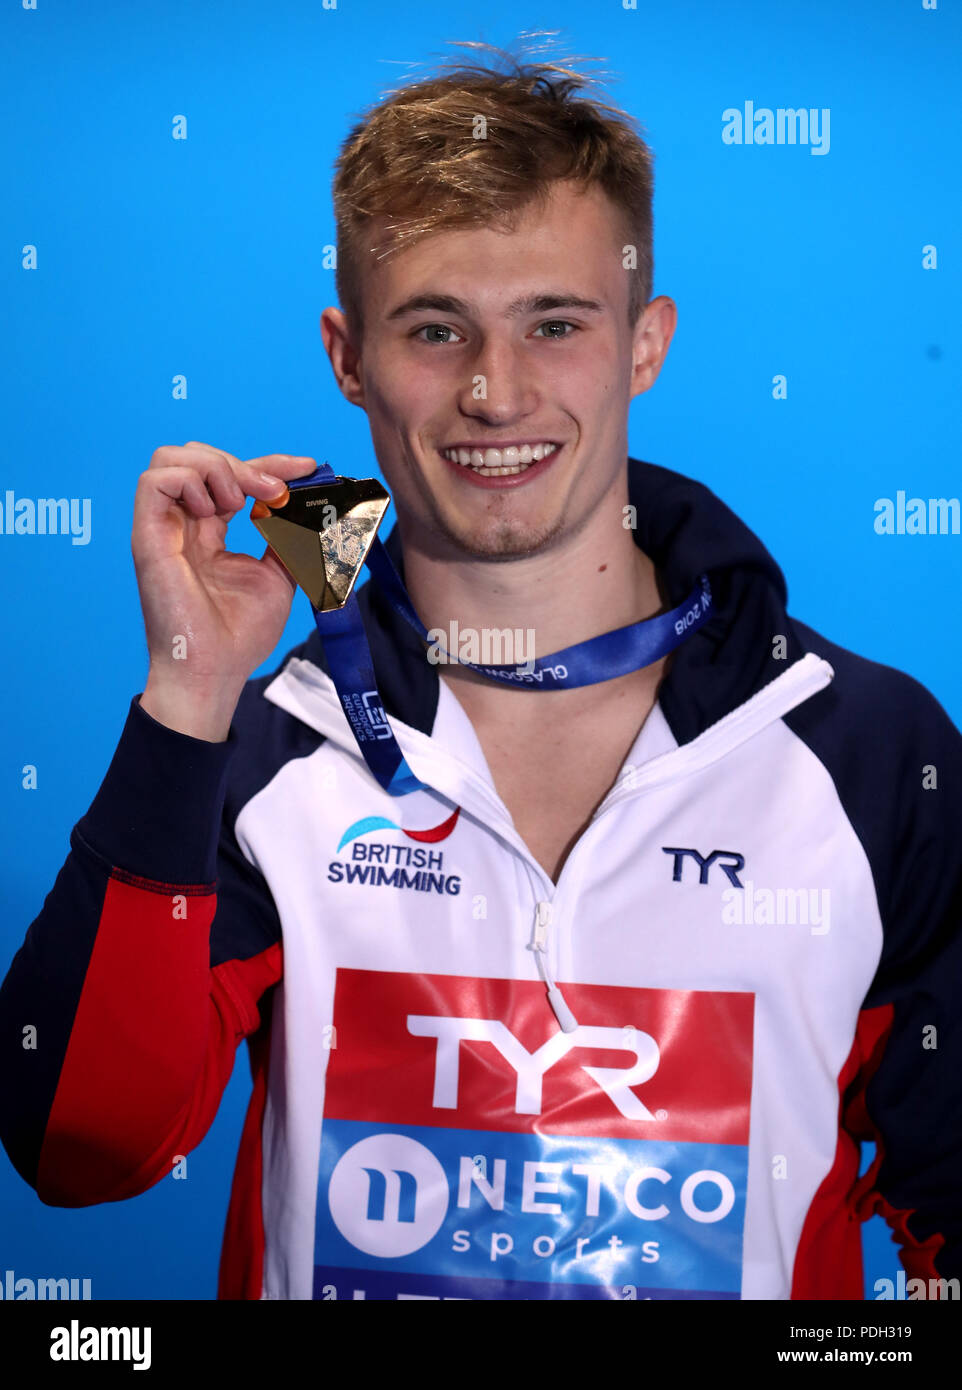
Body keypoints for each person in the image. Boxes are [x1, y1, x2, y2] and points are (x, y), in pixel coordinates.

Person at [1, 46, 960, 1303]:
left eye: (552, 325)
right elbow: (80, 1145)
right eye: (433, 328)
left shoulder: (863, 747)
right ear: (347, 358)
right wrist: (187, 700)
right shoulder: (272, 745)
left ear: (643, 343)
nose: (492, 393)